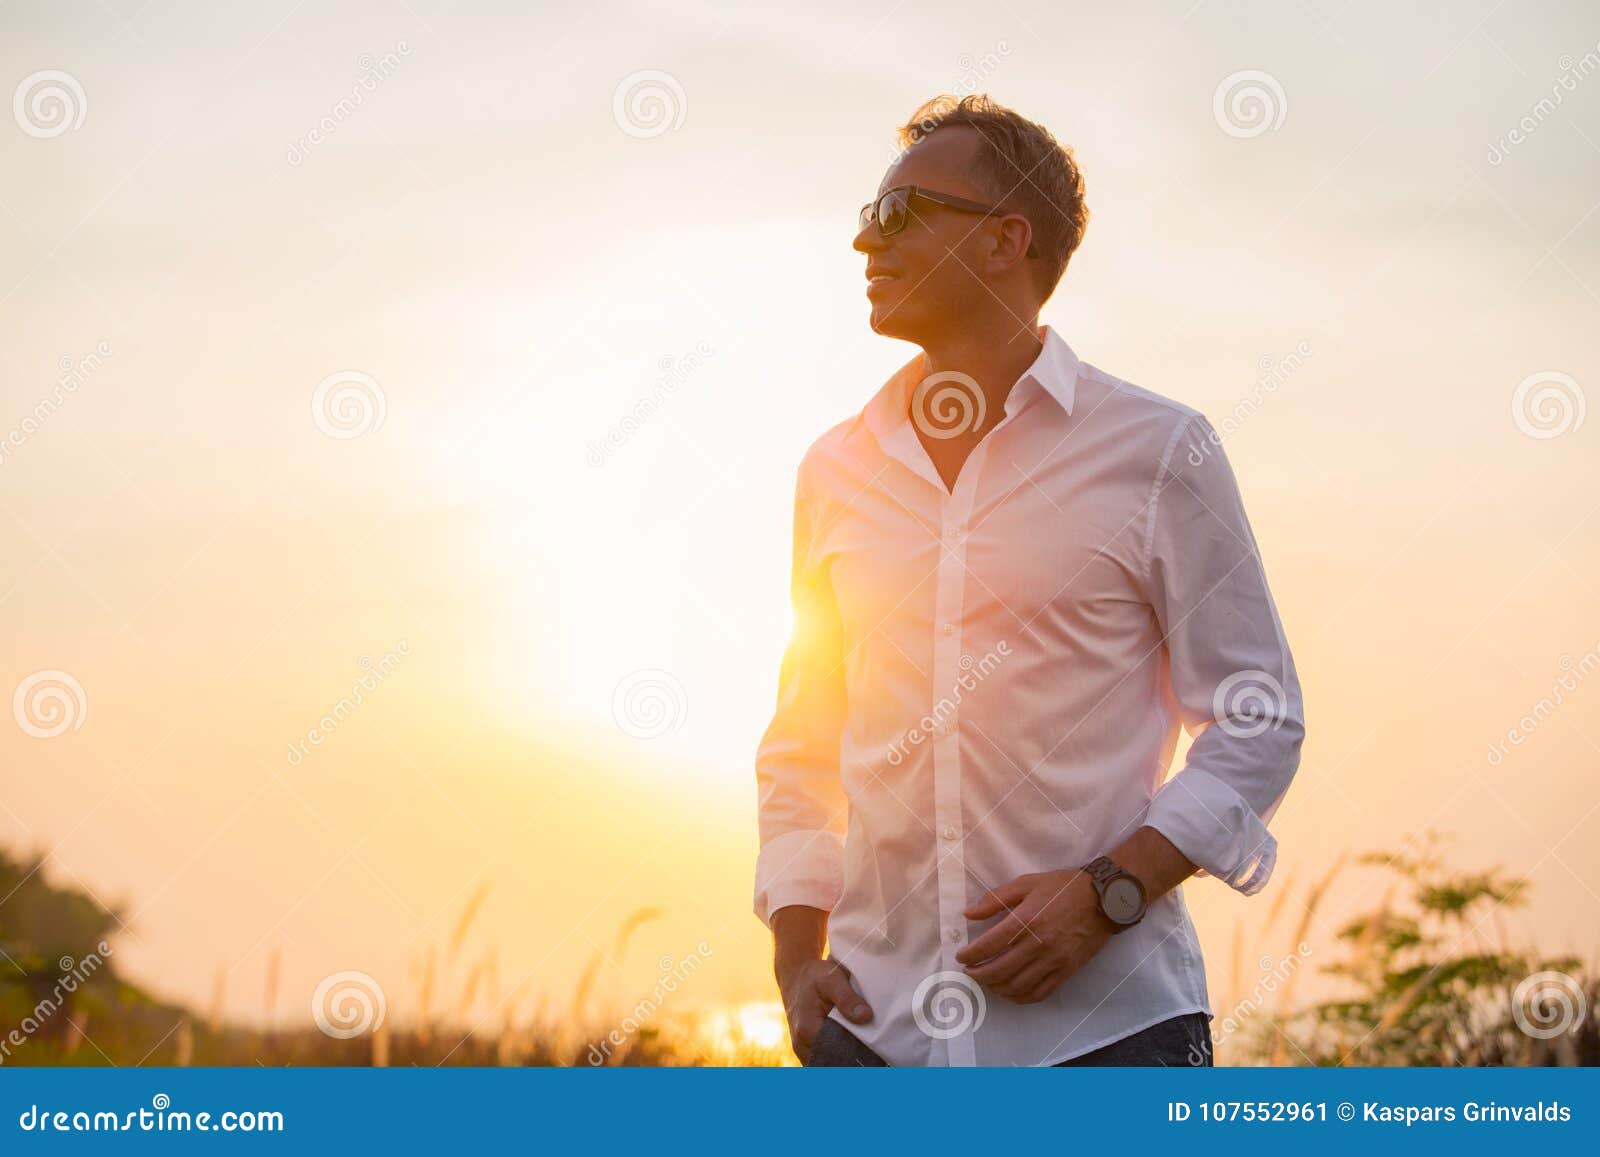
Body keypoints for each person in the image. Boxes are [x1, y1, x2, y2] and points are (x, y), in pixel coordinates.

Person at [751, 94, 1306, 1067]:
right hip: (874, 1042)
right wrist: (796, 959)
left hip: (1108, 1038)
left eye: (899, 213)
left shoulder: (1159, 449)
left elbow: (1258, 717)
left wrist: (1108, 893)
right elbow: (804, 744)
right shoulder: (833, 471)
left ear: (1006, 239)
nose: (865, 241)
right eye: (867, 216)